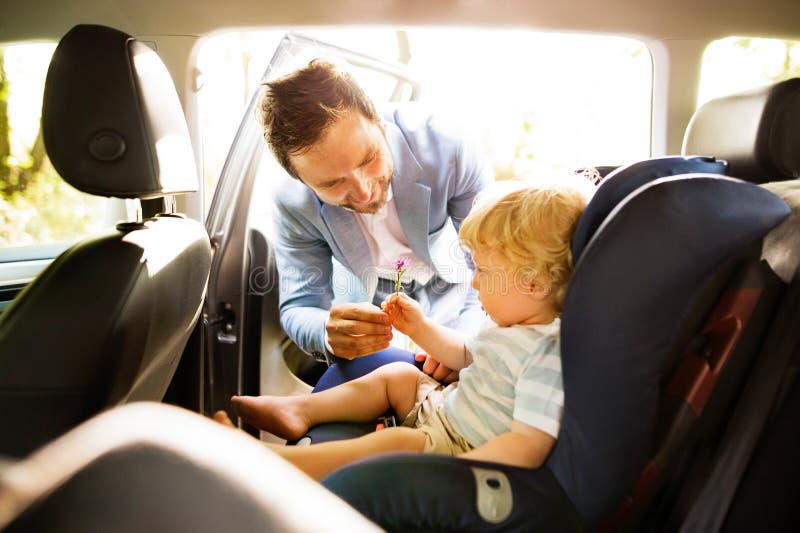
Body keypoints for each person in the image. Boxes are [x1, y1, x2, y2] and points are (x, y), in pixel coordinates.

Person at [215, 181, 588, 481]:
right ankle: (302, 410)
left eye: (486, 273)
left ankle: (277, 461)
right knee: (398, 376)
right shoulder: (506, 326)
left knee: (398, 442)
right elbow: (461, 353)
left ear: (536, 285)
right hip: (445, 409)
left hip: (460, 445)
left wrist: (461, 475)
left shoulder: (545, 353)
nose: (474, 284)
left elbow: (528, 444)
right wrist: (420, 326)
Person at [260, 59, 492, 377]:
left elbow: (490, 267)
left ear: (380, 123)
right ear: (302, 181)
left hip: (456, 288)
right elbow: (299, 306)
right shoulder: (292, 201)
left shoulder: (448, 147)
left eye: (369, 158)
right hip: (373, 305)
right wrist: (328, 332)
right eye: (332, 183)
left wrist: (464, 346)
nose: (364, 192)